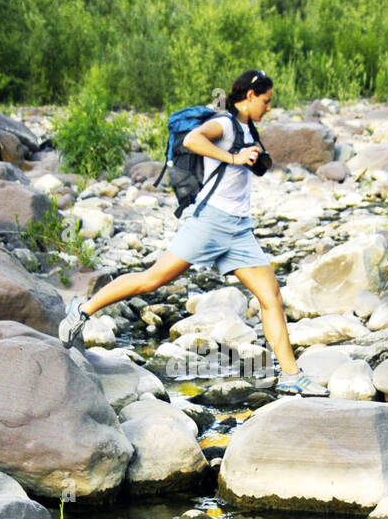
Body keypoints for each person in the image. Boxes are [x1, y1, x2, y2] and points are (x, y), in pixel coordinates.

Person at [57, 68, 328, 396]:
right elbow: (192, 139)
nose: (269, 107)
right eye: (266, 101)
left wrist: (252, 159)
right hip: (210, 223)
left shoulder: (247, 127)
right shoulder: (226, 122)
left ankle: (290, 375)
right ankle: (82, 310)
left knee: (271, 296)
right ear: (251, 96)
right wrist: (233, 157)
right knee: (152, 279)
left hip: (239, 230)